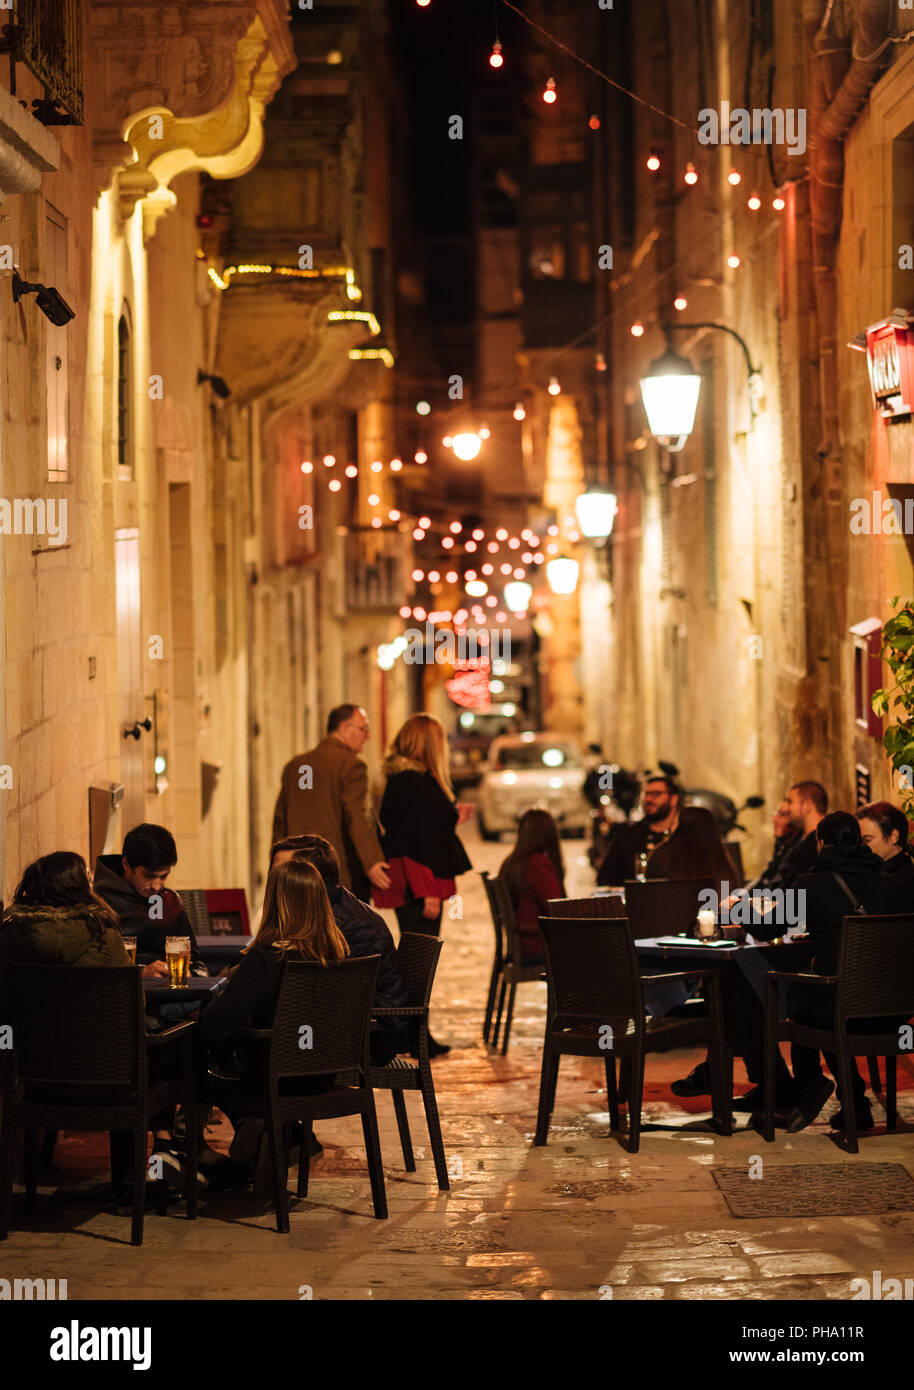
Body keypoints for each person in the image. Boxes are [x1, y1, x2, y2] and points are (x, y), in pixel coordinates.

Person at [0, 852, 183, 1210]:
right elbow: (131, 1007)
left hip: (33, 1083)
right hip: (112, 1085)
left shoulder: (9, 935)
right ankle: (144, 1171)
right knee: (150, 1044)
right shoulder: (101, 930)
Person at [198, 860, 349, 1164]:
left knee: (194, 1061)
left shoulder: (267, 958)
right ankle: (273, 1139)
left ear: (275, 902)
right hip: (325, 1074)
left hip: (272, 1078)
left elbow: (213, 1026)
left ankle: (190, 1154)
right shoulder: (339, 954)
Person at [776, 811, 907, 1135]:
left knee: (806, 999)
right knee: (832, 997)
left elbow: (771, 927)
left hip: (840, 1007)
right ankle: (855, 1105)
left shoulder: (812, 883)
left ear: (822, 843)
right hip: (894, 1010)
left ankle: (810, 1087)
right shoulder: (890, 884)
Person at [373, 712, 473, 1056]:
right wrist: (427, 890)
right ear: (429, 744)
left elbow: (424, 831)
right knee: (418, 961)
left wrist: (452, 817)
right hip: (418, 883)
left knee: (416, 959)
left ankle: (412, 1032)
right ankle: (409, 1034)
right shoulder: (413, 783)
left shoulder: (410, 780)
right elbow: (415, 844)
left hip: (417, 880)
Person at [270, 834, 409, 1062]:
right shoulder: (320, 909)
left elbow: (315, 995)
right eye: (273, 872)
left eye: (283, 872)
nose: (274, 880)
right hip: (342, 1029)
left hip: (368, 1037)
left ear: (309, 877)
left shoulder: (338, 924)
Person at [272, 704, 391, 902]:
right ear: (344, 729)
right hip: (332, 870)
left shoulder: (298, 765)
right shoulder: (350, 765)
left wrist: (275, 866)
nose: (368, 736)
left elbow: (280, 821)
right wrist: (372, 861)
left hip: (294, 872)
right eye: (363, 729)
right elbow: (358, 815)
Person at [93, 824, 207, 980]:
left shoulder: (169, 900)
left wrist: (190, 974)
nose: (156, 886)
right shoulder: (98, 903)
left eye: (164, 876)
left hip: (173, 993)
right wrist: (139, 974)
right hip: (123, 997)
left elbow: (198, 966)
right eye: (149, 876)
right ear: (127, 865)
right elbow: (92, 970)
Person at [497, 809, 565, 964]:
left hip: (522, 944)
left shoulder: (511, 862)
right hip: (537, 945)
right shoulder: (538, 865)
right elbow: (556, 907)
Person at [596, 774, 680, 887]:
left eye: (656, 794)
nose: (649, 799)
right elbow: (605, 878)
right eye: (647, 794)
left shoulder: (681, 836)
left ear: (674, 799)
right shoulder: (628, 834)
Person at [645, 805, 742, 887]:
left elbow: (650, 893)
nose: (671, 827)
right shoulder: (721, 862)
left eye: (674, 823)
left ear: (681, 827)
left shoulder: (661, 855)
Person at [856, 801, 914, 898]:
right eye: (859, 841)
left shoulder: (906, 881)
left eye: (867, 840)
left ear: (894, 836)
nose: (861, 846)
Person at [776, 781, 828, 886]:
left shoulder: (823, 840)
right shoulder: (798, 838)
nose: (786, 809)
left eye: (790, 802)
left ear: (807, 805)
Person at [749, 798, 801, 892]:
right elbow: (767, 876)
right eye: (776, 813)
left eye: (783, 815)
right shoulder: (781, 844)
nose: (775, 819)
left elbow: (779, 888)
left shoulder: (798, 850)